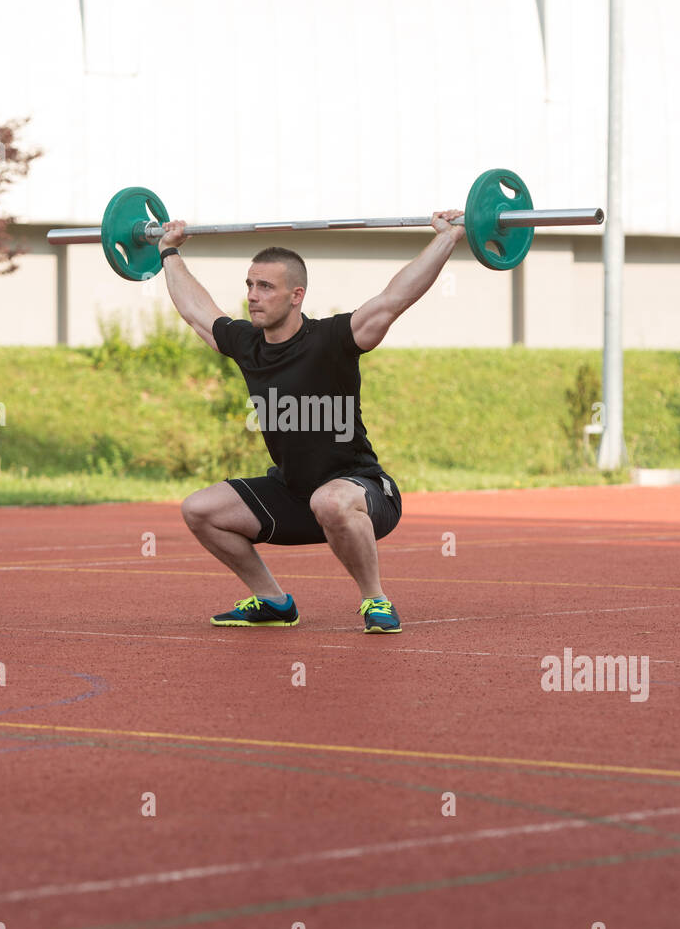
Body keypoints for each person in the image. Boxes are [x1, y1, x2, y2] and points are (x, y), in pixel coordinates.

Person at [157, 209, 465, 632]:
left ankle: (375, 600)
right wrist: (169, 253)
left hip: (364, 493)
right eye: (250, 285)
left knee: (330, 500)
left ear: (296, 295)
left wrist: (449, 237)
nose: (253, 295)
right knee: (200, 510)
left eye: (266, 286)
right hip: (295, 494)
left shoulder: (332, 339)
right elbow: (196, 311)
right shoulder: (248, 345)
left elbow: (396, 298)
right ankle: (273, 601)